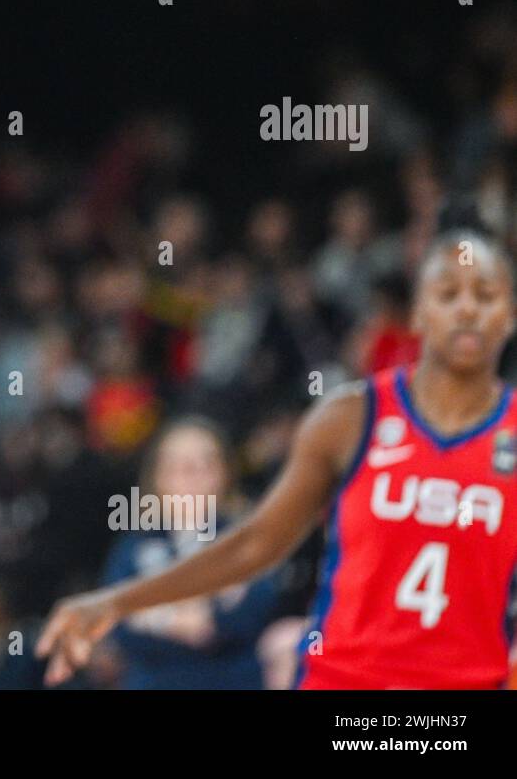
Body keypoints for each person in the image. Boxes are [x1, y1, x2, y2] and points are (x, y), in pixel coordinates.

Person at [37, 223, 517, 689]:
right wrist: (115, 602)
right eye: (448, 293)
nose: (468, 309)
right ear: (417, 313)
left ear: (510, 313)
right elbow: (257, 542)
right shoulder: (350, 417)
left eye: (486, 294)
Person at [99, 418, 278, 689]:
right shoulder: (134, 546)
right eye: (179, 467)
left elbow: (250, 614)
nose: (191, 477)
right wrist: (182, 617)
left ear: (225, 473)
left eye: (204, 465)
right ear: (158, 476)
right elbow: (117, 623)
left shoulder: (245, 541)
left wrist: (155, 614)